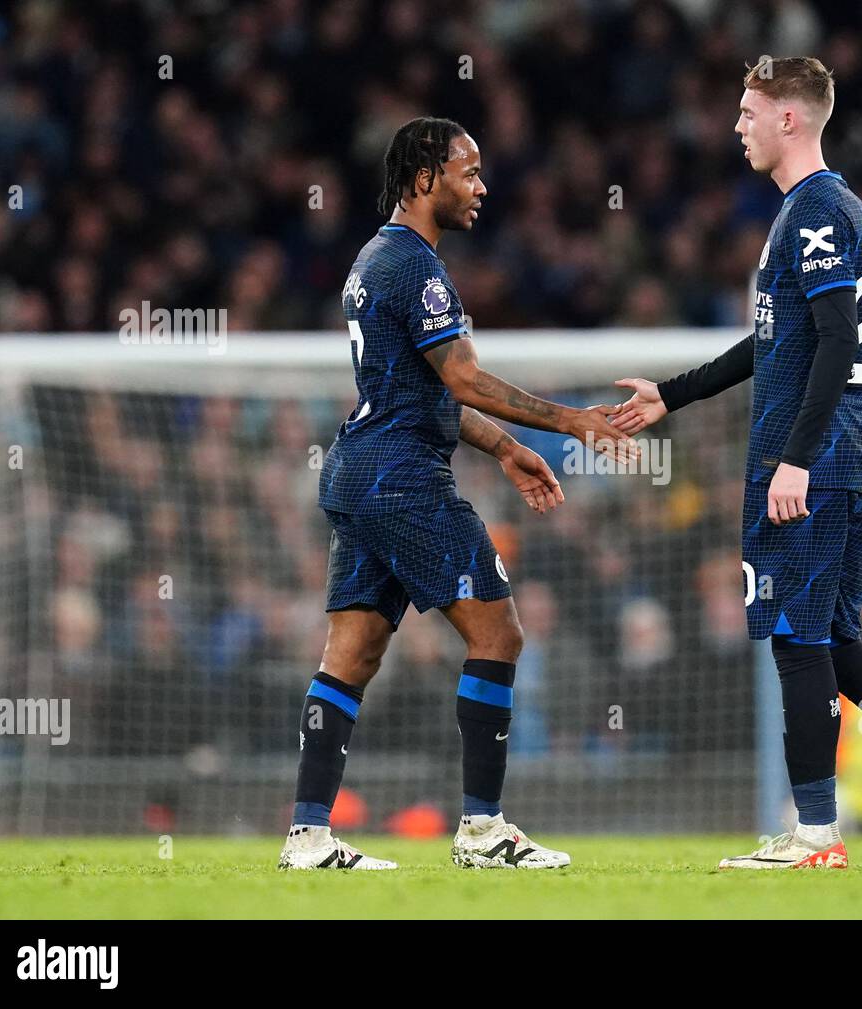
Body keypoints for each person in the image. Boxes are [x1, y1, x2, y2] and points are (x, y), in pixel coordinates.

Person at [613, 57, 862, 870]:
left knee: (797, 641)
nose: (737, 125)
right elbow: (777, 340)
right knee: (833, 644)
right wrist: (672, 395)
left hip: (811, 463)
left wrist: (793, 460)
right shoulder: (831, 211)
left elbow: (833, 340)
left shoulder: (817, 211)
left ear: (790, 118)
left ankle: (816, 836)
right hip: (844, 456)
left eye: (749, 111)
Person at [278, 117, 635, 871]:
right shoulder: (415, 267)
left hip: (358, 470)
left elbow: (418, 390)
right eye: (467, 173)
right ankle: (483, 829)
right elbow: (461, 378)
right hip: (402, 478)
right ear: (422, 180)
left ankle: (308, 834)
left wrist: (505, 447)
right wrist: (567, 419)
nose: (481, 187)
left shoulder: (376, 257)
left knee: (354, 649)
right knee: (499, 633)